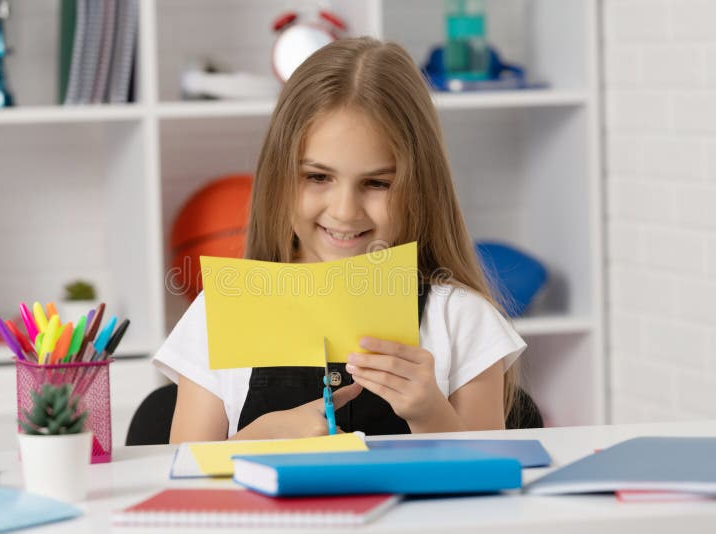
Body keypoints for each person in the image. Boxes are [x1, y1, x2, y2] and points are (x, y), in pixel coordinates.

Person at [153, 37, 526, 442]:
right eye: (317, 177)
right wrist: (249, 442)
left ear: (421, 187)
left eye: (377, 182)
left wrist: (430, 413)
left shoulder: (460, 320)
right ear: (279, 178)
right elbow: (187, 482)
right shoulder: (219, 315)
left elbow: (489, 483)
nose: (345, 211)